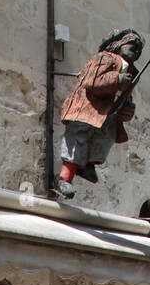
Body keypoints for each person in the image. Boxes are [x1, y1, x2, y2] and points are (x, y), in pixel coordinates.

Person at [55, 29, 143, 199]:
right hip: (88, 109)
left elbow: (126, 97)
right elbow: (92, 80)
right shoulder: (105, 58)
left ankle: (87, 164)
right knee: (78, 139)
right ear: (118, 44)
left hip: (109, 115)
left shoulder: (131, 71)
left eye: (139, 48)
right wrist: (116, 79)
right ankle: (63, 179)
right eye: (132, 43)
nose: (137, 48)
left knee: (106, 138)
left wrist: (127, 110)